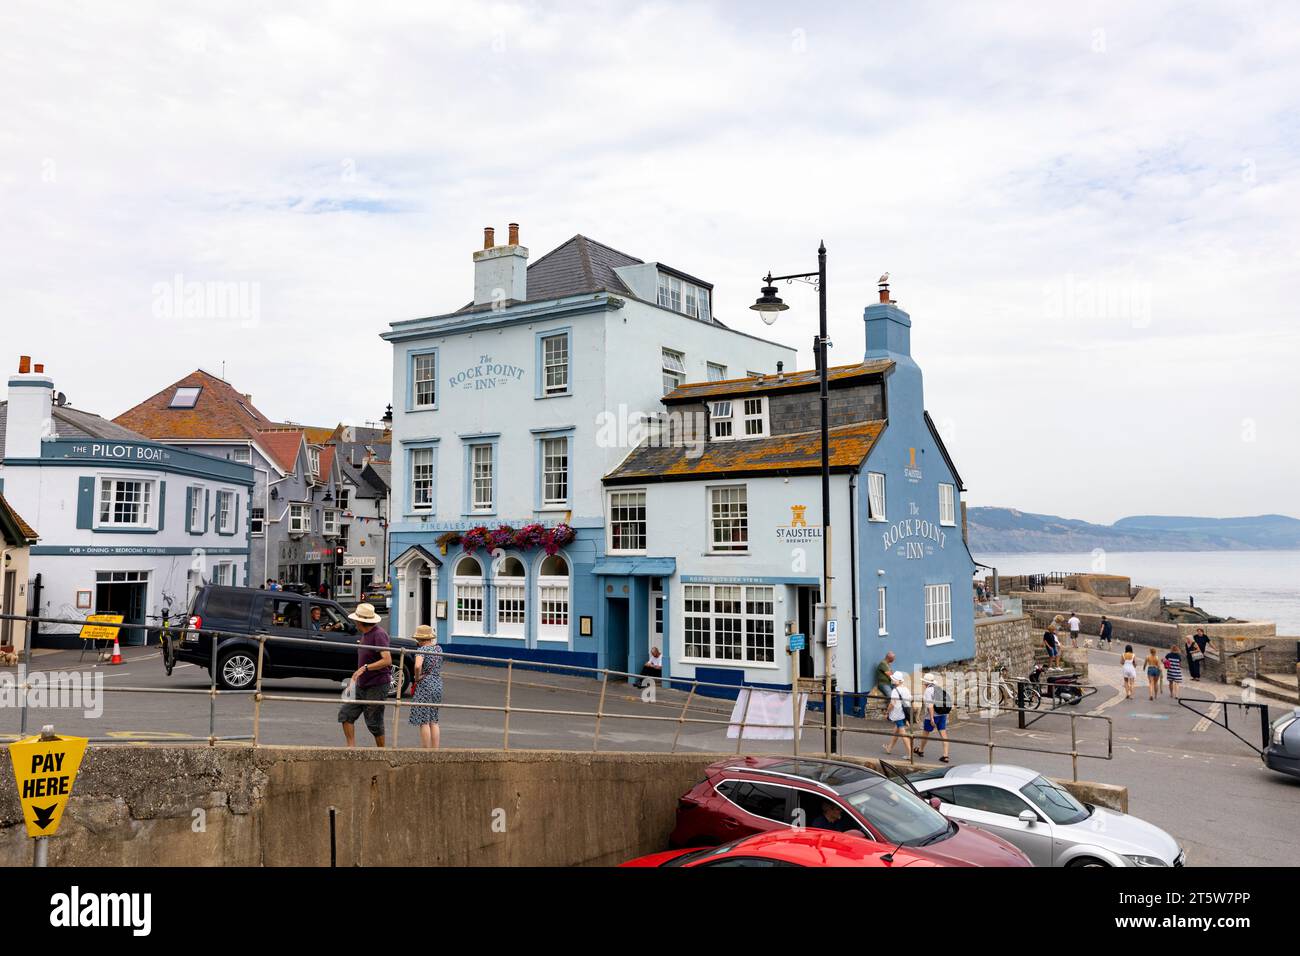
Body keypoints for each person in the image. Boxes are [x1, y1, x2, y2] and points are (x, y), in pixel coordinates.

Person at [337, 603, 391, 748]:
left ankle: (382, 752)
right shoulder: (365, 634)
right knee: (346, 714)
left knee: (374, 721)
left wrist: (366, 668)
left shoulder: (379, 634)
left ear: (361, 621)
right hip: (362, 683)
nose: (355, 622)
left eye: (356, 620)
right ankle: (351, 748)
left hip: (377, 684)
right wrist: (355, 678)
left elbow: (387, 660)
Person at [408, 623, 443, 749]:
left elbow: (417, 666)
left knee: (424, 721)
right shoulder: (439, 649)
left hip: (425, 685)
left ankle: (425, 750)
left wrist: (417, 678)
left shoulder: (422, 650)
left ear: (419, 639)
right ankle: (435, 750)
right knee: (434, 719)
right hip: (437, 683)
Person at [914, 672, 951, 763]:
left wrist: (931, 718)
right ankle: (945, 755)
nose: (923, 684)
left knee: (925, 734)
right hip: (942, 714)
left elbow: (930, 706)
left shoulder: (928, 691)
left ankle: (921, 750)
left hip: (932, 716)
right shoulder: (939, 688)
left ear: (926, 683)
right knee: (943, 734)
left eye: (924, 682)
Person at [882, 671, 912, 755]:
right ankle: (889, 748)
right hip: (904, 713)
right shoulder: (906, 689)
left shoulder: (895, 691)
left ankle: (910, 754)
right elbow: (909, 700)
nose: (892, 680)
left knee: (903, 734)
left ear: (898, 681)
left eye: (894, 679)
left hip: (898, 713)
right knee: (896, 731)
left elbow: (892, 704)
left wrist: (887, 713)